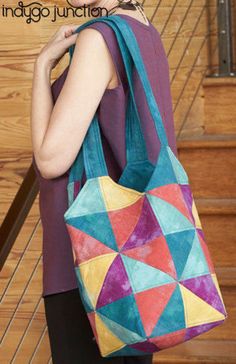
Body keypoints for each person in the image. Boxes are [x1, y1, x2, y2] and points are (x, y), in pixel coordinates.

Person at [31, 0, 178, 363]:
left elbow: (51, 160)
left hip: (91, 260)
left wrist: (40, 67)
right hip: (142, 262)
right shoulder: (143, 32)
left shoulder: (99, 39)